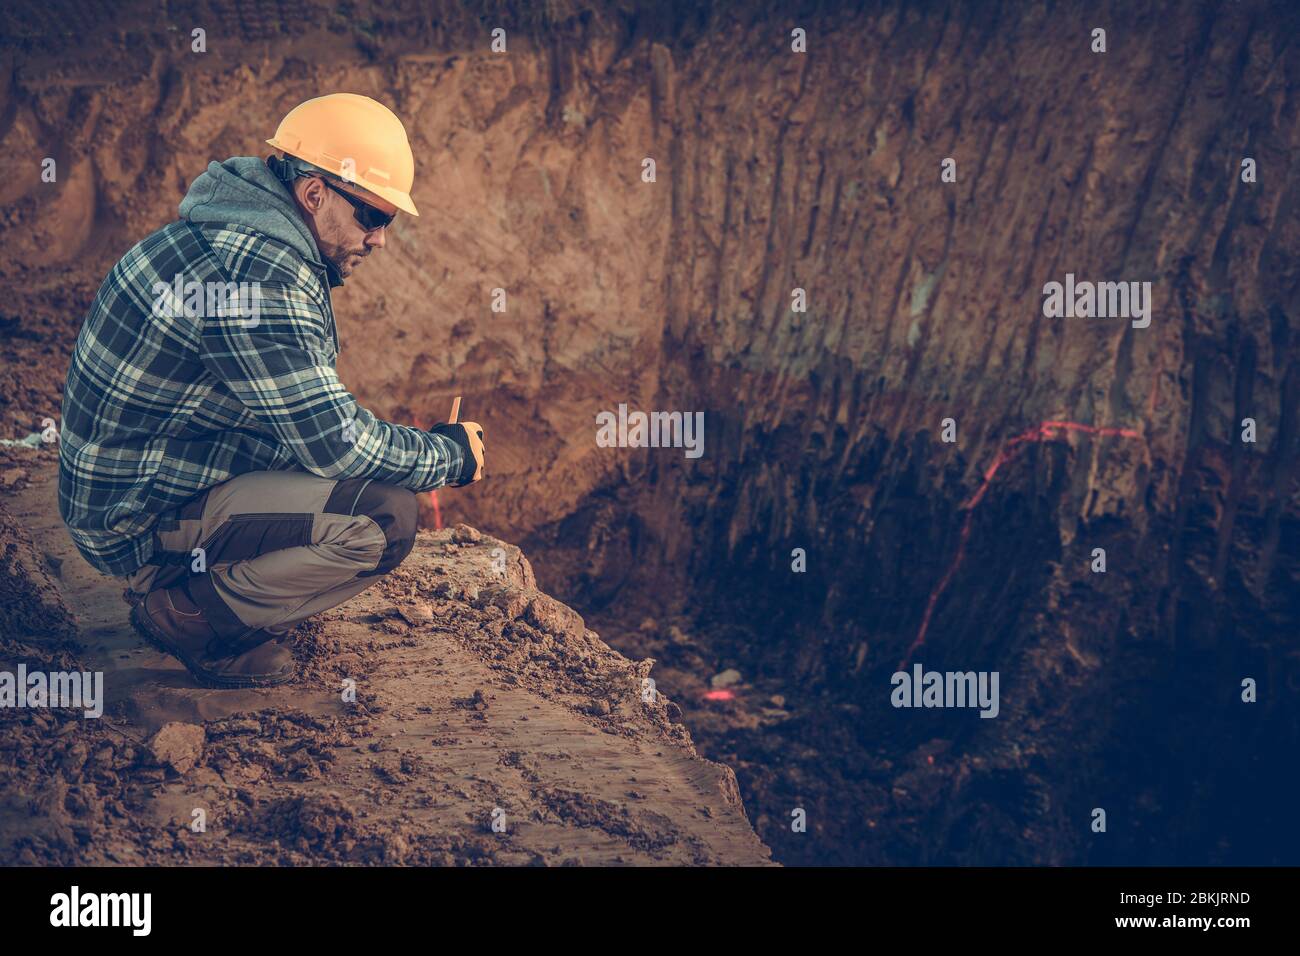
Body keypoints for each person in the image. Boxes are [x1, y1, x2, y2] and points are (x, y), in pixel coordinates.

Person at [58, 93, 484, 689]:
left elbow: (308, 427)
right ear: (314, 195)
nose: (381, 239)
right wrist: (448, 456)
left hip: (136, 487)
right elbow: (337, 446)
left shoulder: (231, 238)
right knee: (384, 515)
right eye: (374, 217)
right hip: (134, 521)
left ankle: (213, 588)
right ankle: (187, 614)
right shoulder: (259, 280)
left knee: (350, 480)